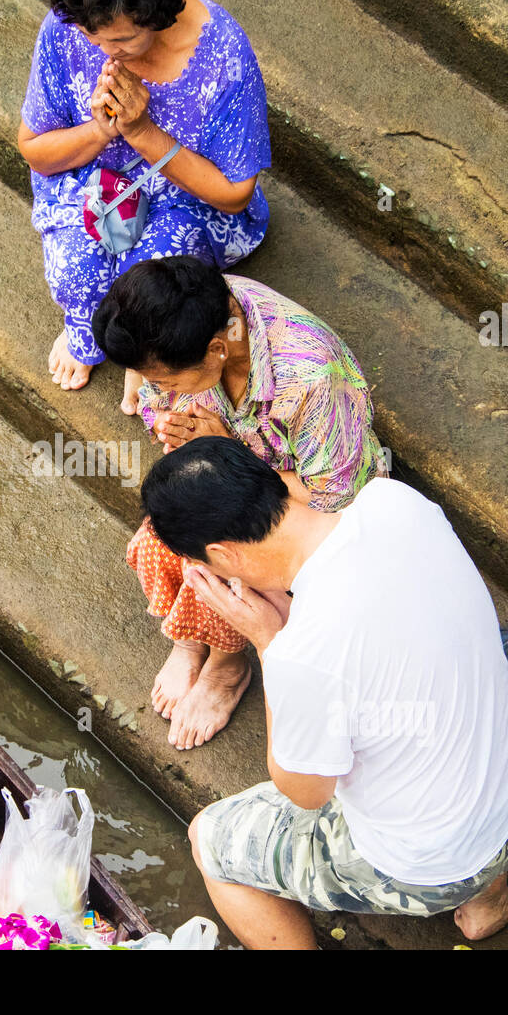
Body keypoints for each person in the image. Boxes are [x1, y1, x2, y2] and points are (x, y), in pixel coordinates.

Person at [141, 438, 508, 948]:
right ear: (275, 482)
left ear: (220, 555)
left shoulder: (302, 654)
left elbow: (305, 793)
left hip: (428, 866)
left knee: (211, 840)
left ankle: (462, 891)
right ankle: (488, 902)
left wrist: (269, 645)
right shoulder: (394, 501)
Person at [95, 256, 384, 750]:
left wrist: (227, 448)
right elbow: (154, 400)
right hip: (240, 472)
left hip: (305, 506)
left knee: (214, 562)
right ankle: (190, 639)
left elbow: (338, 502)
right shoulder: (197, 310)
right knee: (157, 536)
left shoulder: (311, 380)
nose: (157, 392)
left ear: (215, 351)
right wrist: (170, 423)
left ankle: (227, 664)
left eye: (166, 381)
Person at [19, 0, 271, 408]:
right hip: (93, 182)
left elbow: (233, 194)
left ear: (157, 12)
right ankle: (85, 330)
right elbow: (35, 149)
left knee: (152, 299)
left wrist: (142, 132)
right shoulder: (69, 27)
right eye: (90, 35)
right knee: (74, 271)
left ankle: (143, 361)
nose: (102, 50)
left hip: (186, 197)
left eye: (121, 39)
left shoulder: (224, 56)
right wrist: (100, 130)